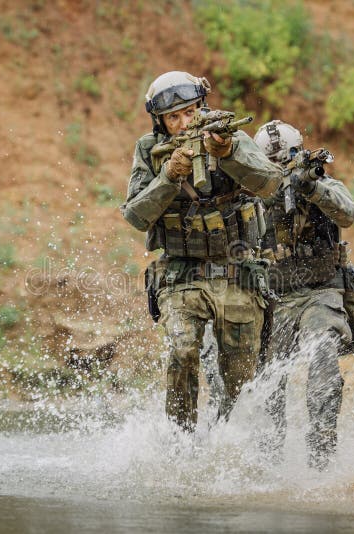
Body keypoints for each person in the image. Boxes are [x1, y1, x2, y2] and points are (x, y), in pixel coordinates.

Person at [120, 71, 282, 432]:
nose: (183, 123)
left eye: (190, 112)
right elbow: (136, 215)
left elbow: (270, 183)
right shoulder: (149, 150)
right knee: (182, 351)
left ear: (202, 107)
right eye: (173, 117)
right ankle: (181, 442)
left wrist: (228, 154)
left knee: (239, 374)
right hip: (181, 273)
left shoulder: (229, 134)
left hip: (236, 270)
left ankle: (226, 438)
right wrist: (167, 178)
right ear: (159, 120)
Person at [253, 119, 354, 469]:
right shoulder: (251, 196)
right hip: (277, 300)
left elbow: (348, 213)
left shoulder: (322, 183)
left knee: (323, 357)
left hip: (321, 292)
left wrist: (311, 189)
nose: (282, 169)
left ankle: (322, 458)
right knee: (269, 380)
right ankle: (268, 464)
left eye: (287, 160)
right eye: (273, 164)